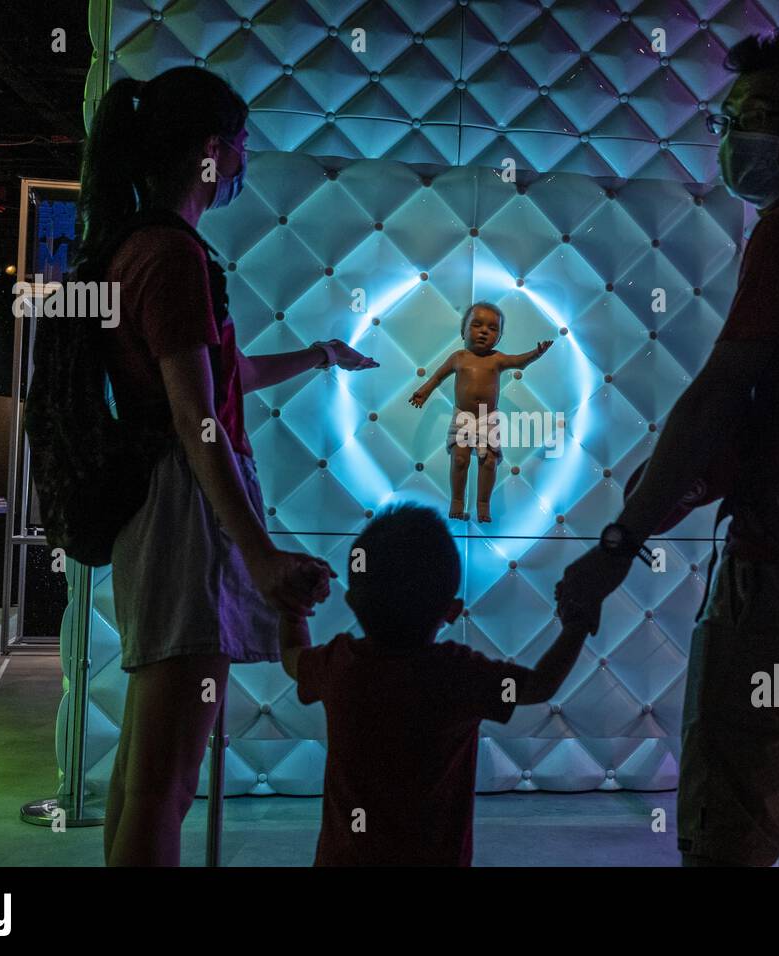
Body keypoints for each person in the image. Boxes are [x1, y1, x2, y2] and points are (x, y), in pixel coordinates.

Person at [555, 34, 779, 866]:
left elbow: (721, 391)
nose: (737, 137)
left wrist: (621, 541)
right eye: (729, 118)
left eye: (761, 118)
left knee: (733, 827)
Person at [75, 66, 378, 865]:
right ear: (211, 150)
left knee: (147, 780)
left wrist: (317, 355)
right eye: (240, 146)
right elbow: (196, 415)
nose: (243, 164)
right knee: (164, 788)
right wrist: (255, 549)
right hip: (191, 517)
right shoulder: (172, 257)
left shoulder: (135, 247)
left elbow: (223, 379)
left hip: (167, 513)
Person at [280, 502, 592, 865]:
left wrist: (294, 604)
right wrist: (578, 621)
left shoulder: (340, 665)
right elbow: (541, 685)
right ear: (452, 610)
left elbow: (291, 655)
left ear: (352, 600)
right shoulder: (458, 674)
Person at [409, 303, 553, 522]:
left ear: (499, 336)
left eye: (492, 328)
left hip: (488, 417)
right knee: (459, 459)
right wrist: (424, 391)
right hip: (462, 416)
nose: (484, 331)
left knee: (488, 461)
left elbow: (518, 362)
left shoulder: (497, 359)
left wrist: (535, 353)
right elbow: (437, 377)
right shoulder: (458, 357)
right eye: (477, 325)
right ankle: (457, 500)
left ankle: (483, 503)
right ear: (463, 331)